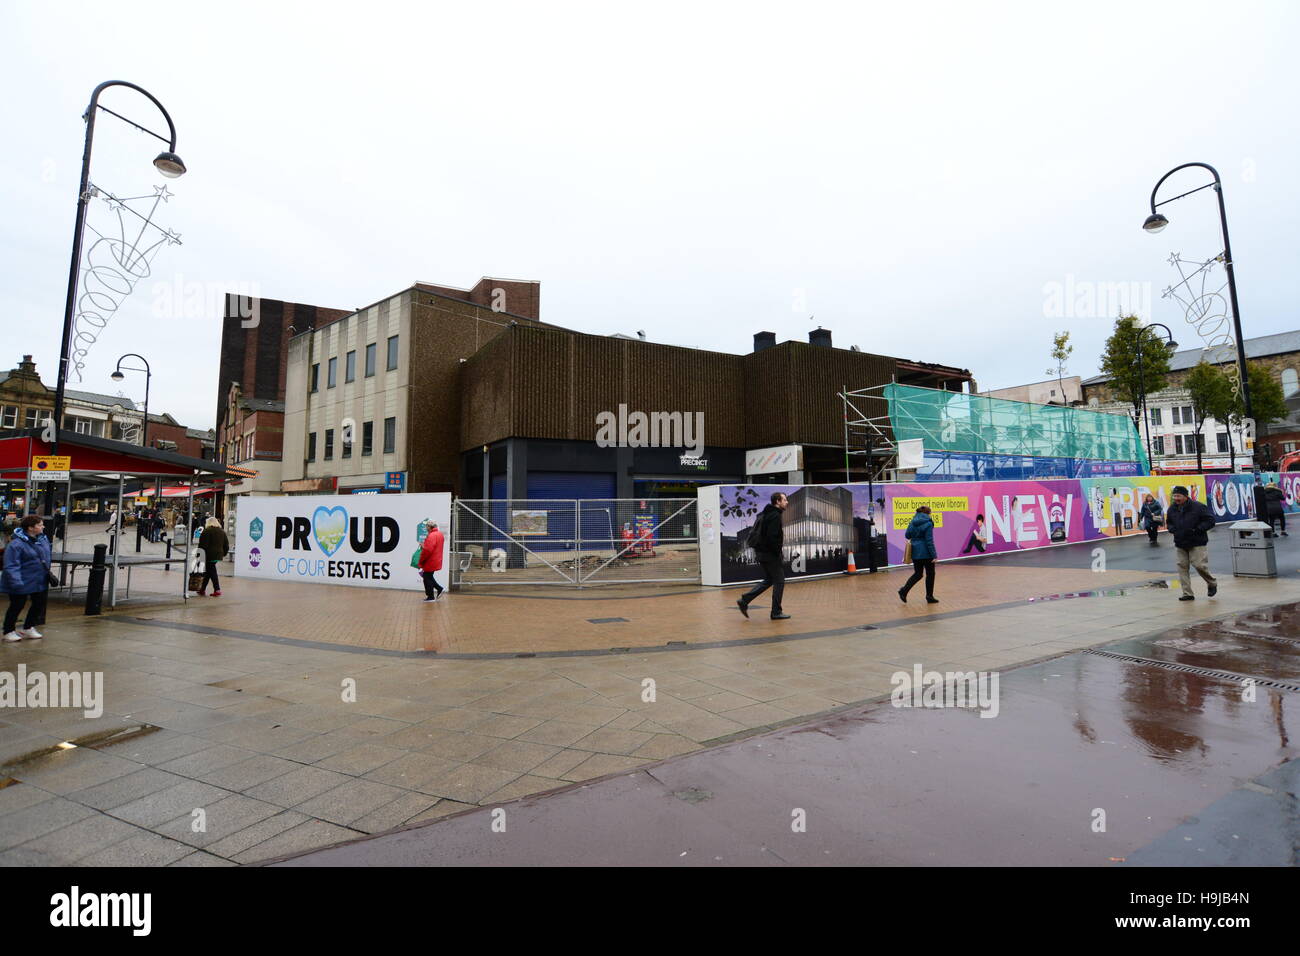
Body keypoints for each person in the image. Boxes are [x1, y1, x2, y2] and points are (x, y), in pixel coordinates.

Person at [737, 491, 790, 620]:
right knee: (779, 581)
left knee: (769, 580)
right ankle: (776, 612)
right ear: (777, 502)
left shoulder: (765, 514)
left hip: (762, 553)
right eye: (784, 500)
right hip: (770, 555)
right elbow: (772, 538)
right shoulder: (774, 516)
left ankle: (745, 600)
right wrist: (778, 553)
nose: (786, 502)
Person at [3, 515, 52, 642]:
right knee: (17, 605)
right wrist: (16, 581)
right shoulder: (16, 544)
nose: (43, 527)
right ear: (30, 528)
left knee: (39, 603)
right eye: (40, 525)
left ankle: (28, 627)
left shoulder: (42, 540)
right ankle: (8, 630)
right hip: (22, 579)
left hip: (38, 579)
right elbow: (11, 565)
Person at [1165, 485, 1218, 601]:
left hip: (1197, 541)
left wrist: (1197, 529)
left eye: (1178, 496)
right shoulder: (1172, 509)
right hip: (1180, 542)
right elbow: (1169, 523)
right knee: (1182, 567)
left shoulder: (1198, 507)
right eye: (1174, 496)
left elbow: (1210, 520)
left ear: (1185, 496)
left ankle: (1212, 583)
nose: (1176, 498)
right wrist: (1172, 529)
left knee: (1199, 565)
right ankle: (1187, 593)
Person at [898, 505, 939, 604]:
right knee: (930, 573)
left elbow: (907, 535)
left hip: (915, 552)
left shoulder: (913, 522)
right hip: (926, 553)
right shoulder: (928, 523)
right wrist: (934, 555)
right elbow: (929, 541)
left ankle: (904, 591)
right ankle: (929, 596)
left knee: (918, 574)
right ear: (928, 513)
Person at [196, 517, 230, 596]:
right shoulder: (222, 531)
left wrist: (199, 555)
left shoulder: (207, 531)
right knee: (209, 571)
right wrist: (223, 553)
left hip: (208, 555)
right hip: (217, 555)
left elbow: (202, 545)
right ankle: (202, 589)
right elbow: (226, 545)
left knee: (212, 571)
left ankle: (217, 589)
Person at [418, 520, 446, 601]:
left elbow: (428, 550)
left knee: (427, 577)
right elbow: (433, 547)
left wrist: (421, 560)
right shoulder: (439, 534)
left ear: (430, 527)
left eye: (427, 526)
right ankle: (438, 590)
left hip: (430, 560)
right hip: (436, 559)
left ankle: (431, 596)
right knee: (428, 576)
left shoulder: (431, 536)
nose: (426, 528)